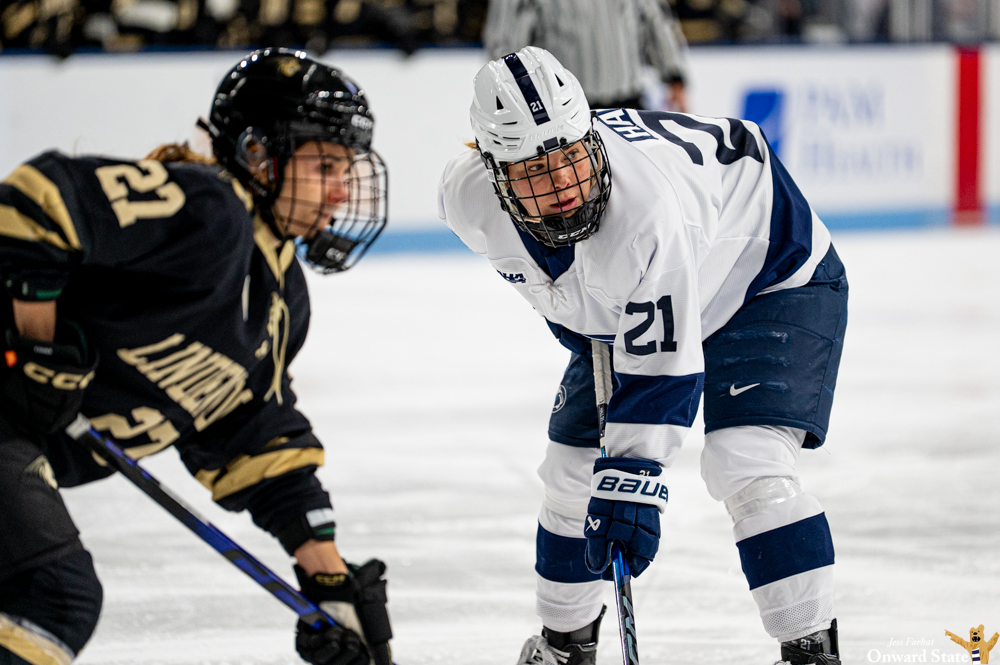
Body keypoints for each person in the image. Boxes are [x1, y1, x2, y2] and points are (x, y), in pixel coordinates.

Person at [437, 46, 846, 665]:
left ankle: (812, 650)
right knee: (572, 470)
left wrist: (634, 484)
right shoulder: (467, 200)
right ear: (493, 171)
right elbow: (571, 298)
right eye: (532, 173)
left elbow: (664, 371)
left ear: (590, 142)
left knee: (747, 461)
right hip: (654, 284)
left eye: (572, 159)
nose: (562, 190)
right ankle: (565, 644)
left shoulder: (644, 214)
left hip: (770, 273)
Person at [0, 48, 393, 665]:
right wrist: (37, 342)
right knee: (52, 596)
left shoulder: (283, 295)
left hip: (21, 449)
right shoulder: (210, 212)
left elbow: (250, 434)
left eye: (347, 168)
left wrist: (327, 577)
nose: (342, 191)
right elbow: (35, 200)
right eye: (324, 165)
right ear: (260, 155)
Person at [483, 0, 690, 112]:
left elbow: (655, 20)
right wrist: (516, 96)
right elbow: (504, 40)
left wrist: (674, 78)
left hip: (629, 103)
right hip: (563, 111)